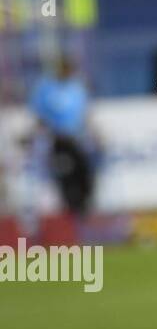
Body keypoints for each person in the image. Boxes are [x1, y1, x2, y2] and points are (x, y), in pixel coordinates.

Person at [27, 54, 96, 219]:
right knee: (64, 175)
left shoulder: (76, 87)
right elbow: (39, 114)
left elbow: (84, 113)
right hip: (56, 140)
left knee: (84, 172)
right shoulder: (46, 88)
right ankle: (69, 210)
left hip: (76, 139)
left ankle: (83, 205)